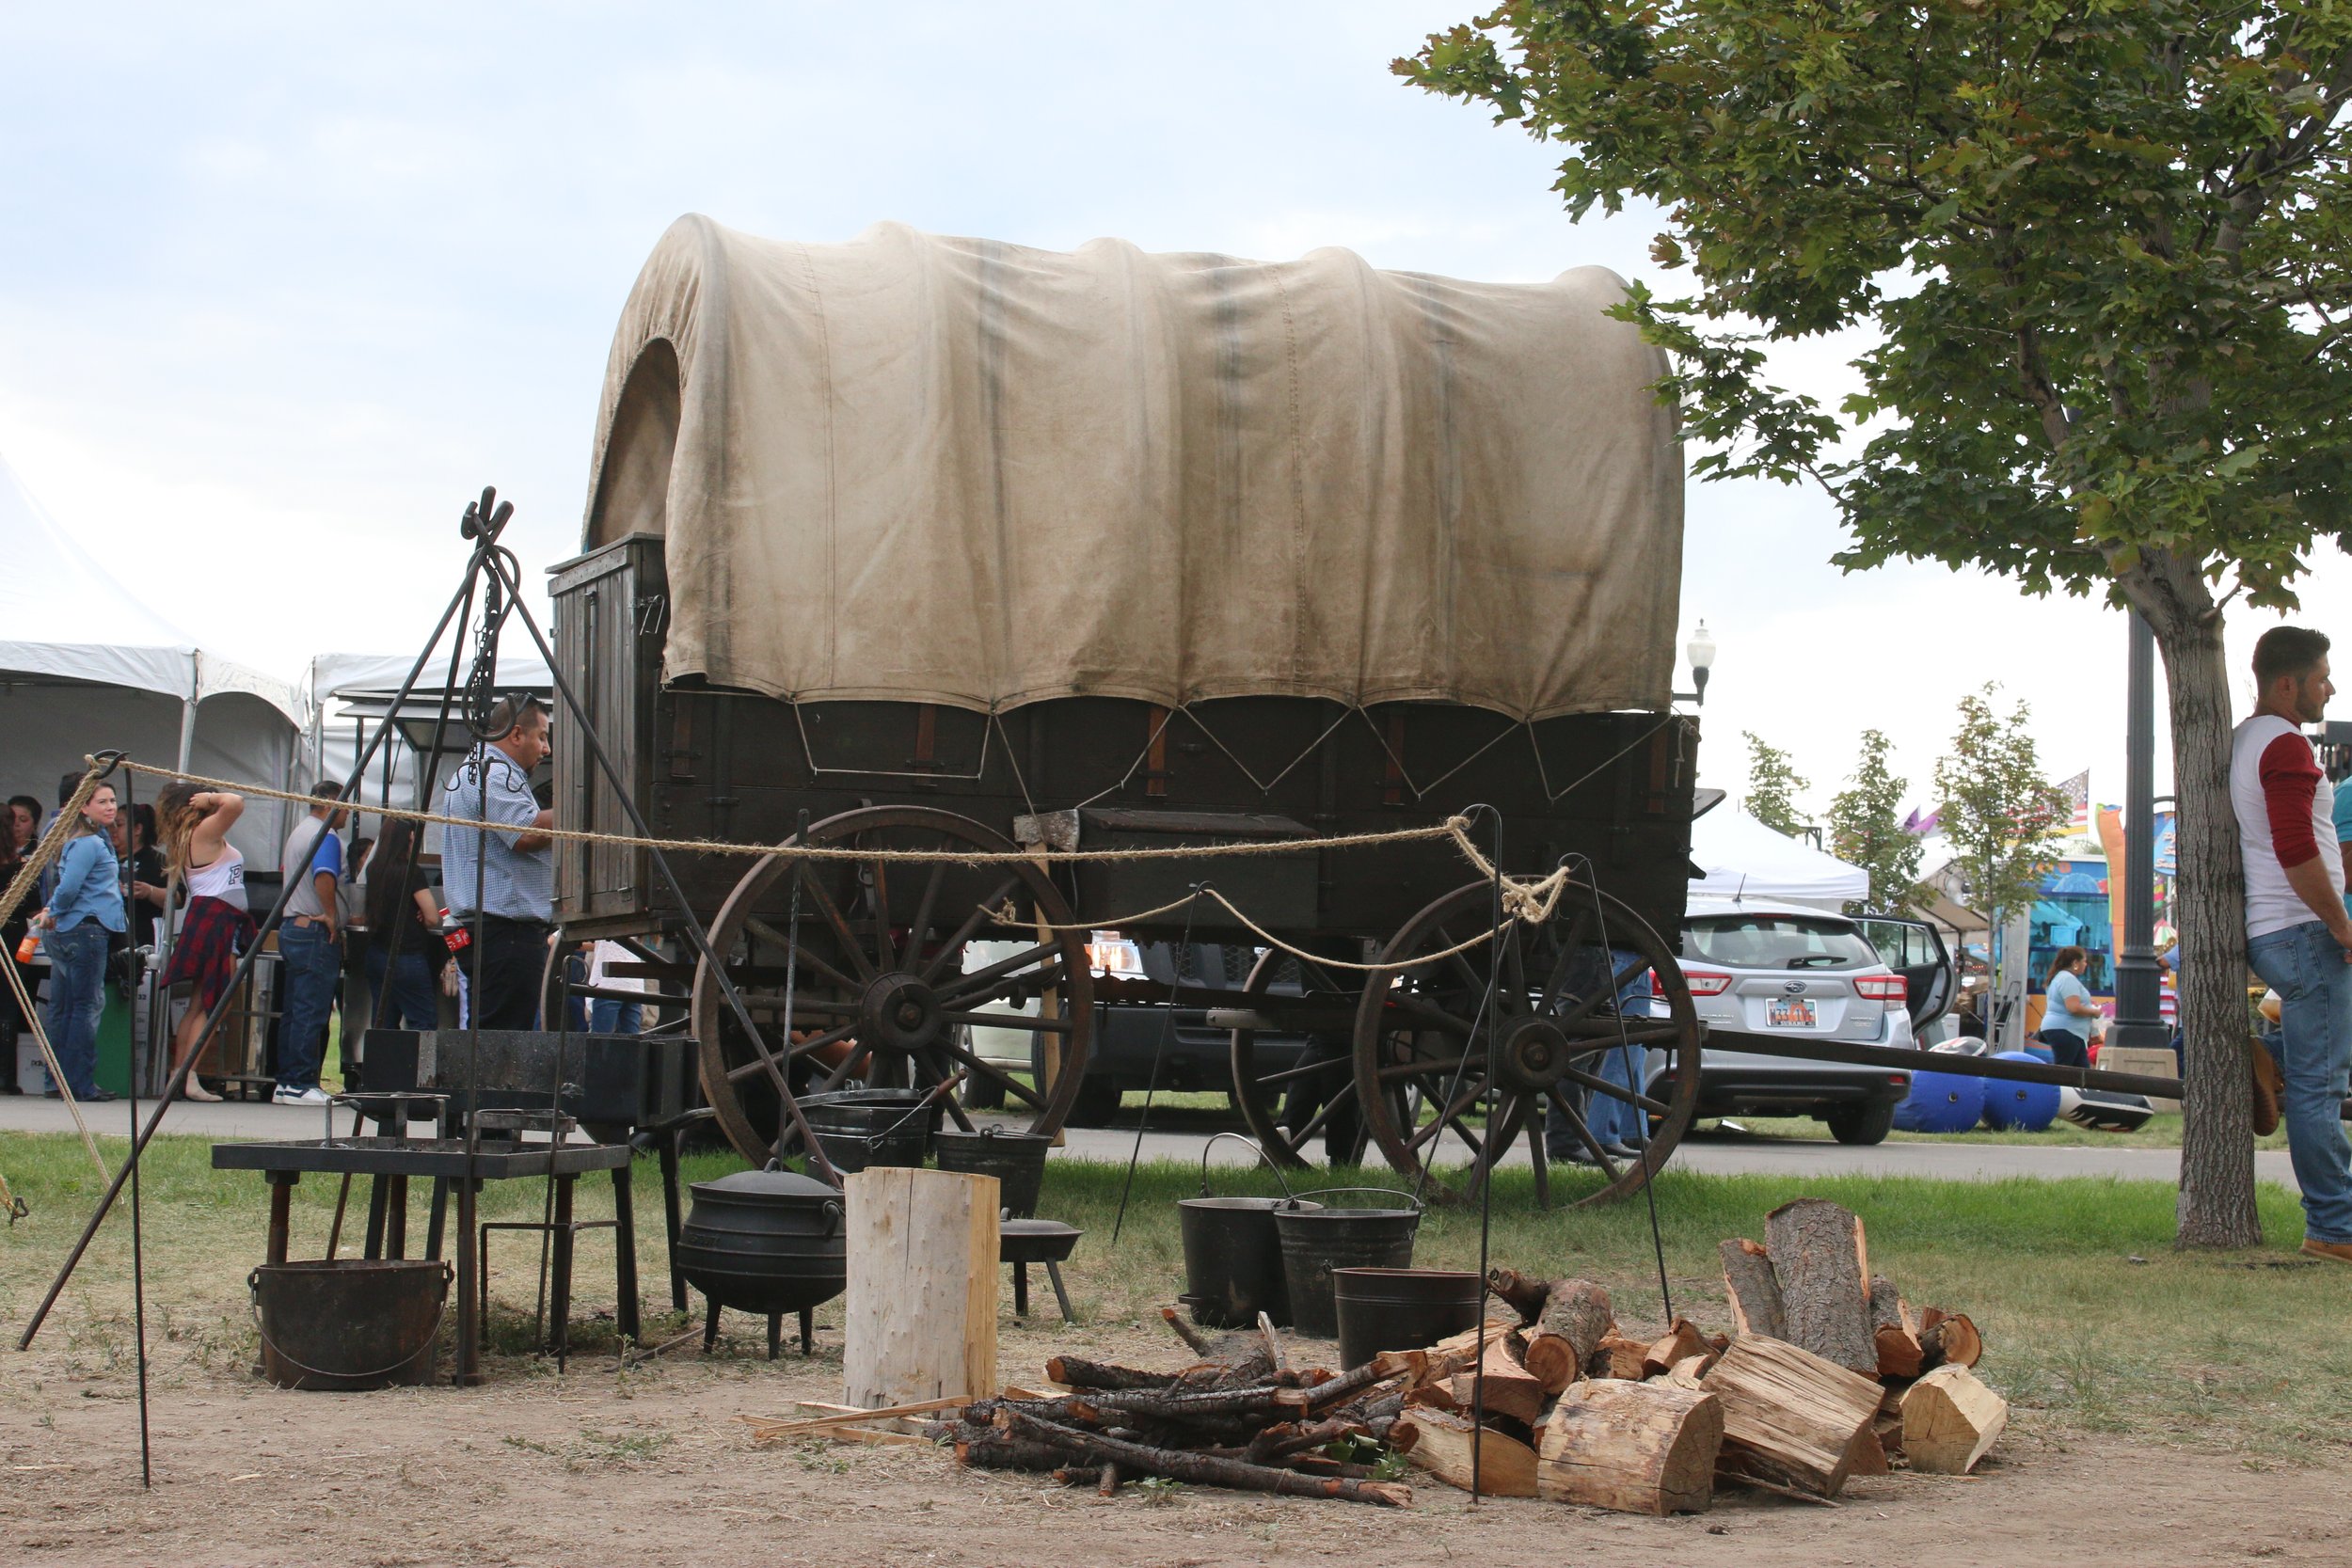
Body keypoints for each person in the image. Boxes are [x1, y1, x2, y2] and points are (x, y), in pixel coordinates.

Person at [2232, 626, 2352, 1265]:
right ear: (2288, 683)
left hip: (2275, 932)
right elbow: (2294, 845)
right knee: (2320, 1089)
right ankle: (2334, 1228)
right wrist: (2341, 923)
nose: (2330, 686)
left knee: (2315, 1069)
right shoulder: (2286, 747)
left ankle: (2267, 1054)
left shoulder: (2248, 739)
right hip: (2306, 932)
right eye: (2322, 675)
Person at [440, 695, 555, 1030]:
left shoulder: (482, 768)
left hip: (495, 931)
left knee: (493, 1032)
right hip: (505, 931)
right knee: (500, 1039)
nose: (546, 749)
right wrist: (582, 808)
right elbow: (524, 835)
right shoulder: (494, 770)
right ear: (516, 734)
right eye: (543, 736)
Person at [31, 778, 125, 1101]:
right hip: (85, 928)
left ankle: (56, 1081)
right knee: (85, 1007)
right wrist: (54, 909)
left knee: (64, 1008)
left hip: (70, 928)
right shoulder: (88, 842)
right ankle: (80, 1083)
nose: (111, 806)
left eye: (112, 800)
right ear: (83, 807)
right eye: (102, 802)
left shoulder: (76, 837)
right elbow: (68, 886)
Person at [156, 783, 251, 1101]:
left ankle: (180, 1073)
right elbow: (236, 803)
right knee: (215, 1003)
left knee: (200, 1002)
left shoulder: (195, 835)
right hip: (217, 921)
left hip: (213, 918)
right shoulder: (203, 832)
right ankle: (189, 1074)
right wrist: (212, 798)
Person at [273, 783, 348, 1106]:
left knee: (294, 1009)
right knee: (311, 1009)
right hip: (313, 928)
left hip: (292, 926)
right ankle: (302, 1082)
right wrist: (330, 914)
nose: (350, 810)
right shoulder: (325, 835)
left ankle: (286, 1082)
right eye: (346, 804)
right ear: (330, 803)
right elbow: (325, 875)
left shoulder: (298, 832)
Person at [363, 816, 446, 1031]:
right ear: (405, 842)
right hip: (407, 956)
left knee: (384, 1022)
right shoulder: (411, 872)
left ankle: (383, 1064)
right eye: (411, 841)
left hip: (377, 952)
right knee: (423, 1022)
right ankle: (421, 1065)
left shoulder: (374, 869)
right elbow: (431, 917)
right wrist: (420, 911)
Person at [2035, 946, 2098, 1068]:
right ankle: (2053, 1086)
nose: (2086, 964)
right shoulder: (2067, 979)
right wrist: (2094, 1012)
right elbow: (2073, 1008)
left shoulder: (2060, 977)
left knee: (2081, 1072)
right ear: (2075, 963)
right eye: (2084, 961)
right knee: (2064, 1071)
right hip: (2066, 1031)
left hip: (2071, 1032)